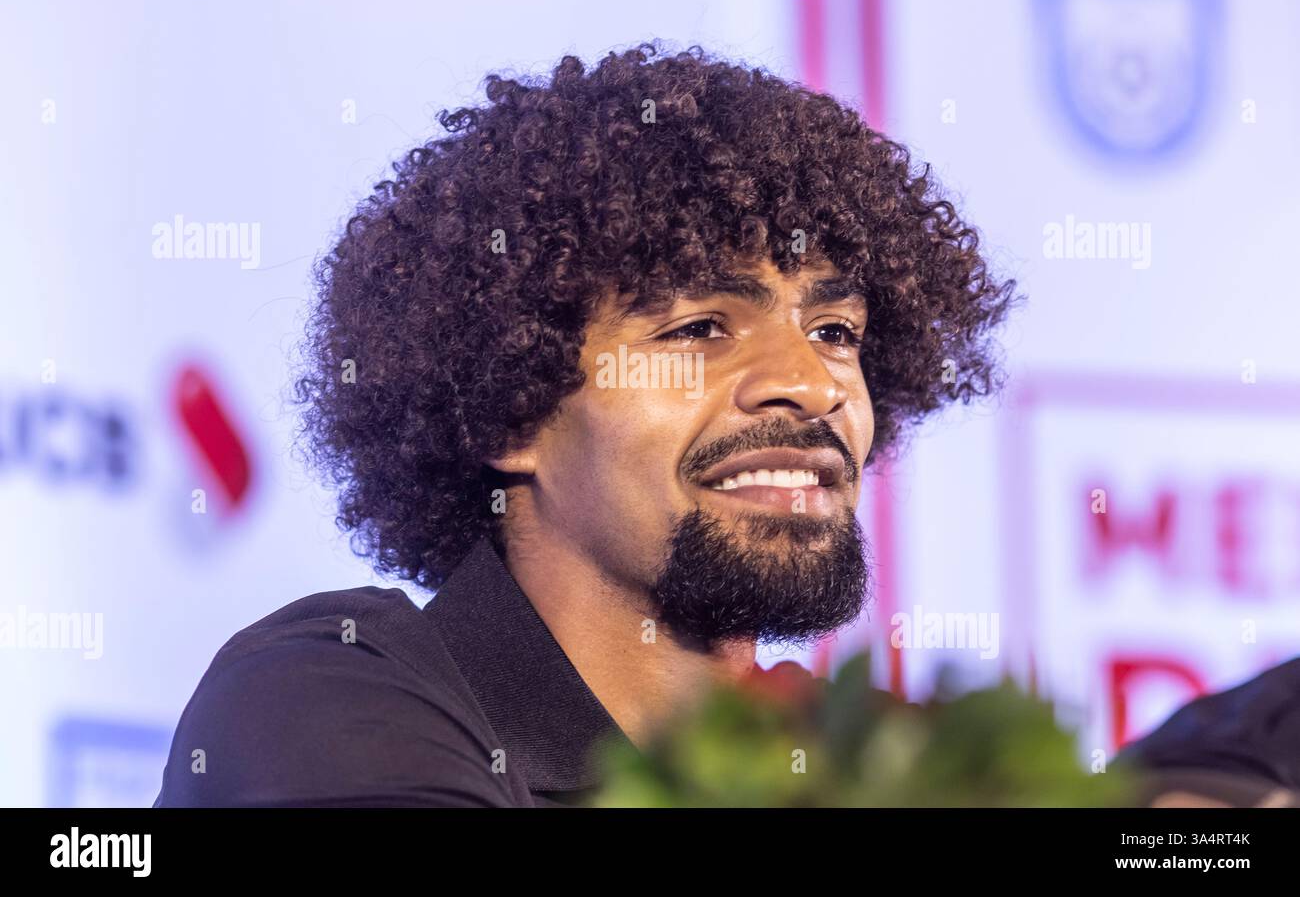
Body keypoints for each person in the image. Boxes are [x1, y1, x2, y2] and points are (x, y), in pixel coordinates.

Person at [155, 40, 1017, 806]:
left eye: (835, 333)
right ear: (509, 405)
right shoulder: (321, 695)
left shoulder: (844, 757)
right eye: (698, 330)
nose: (811, 384)